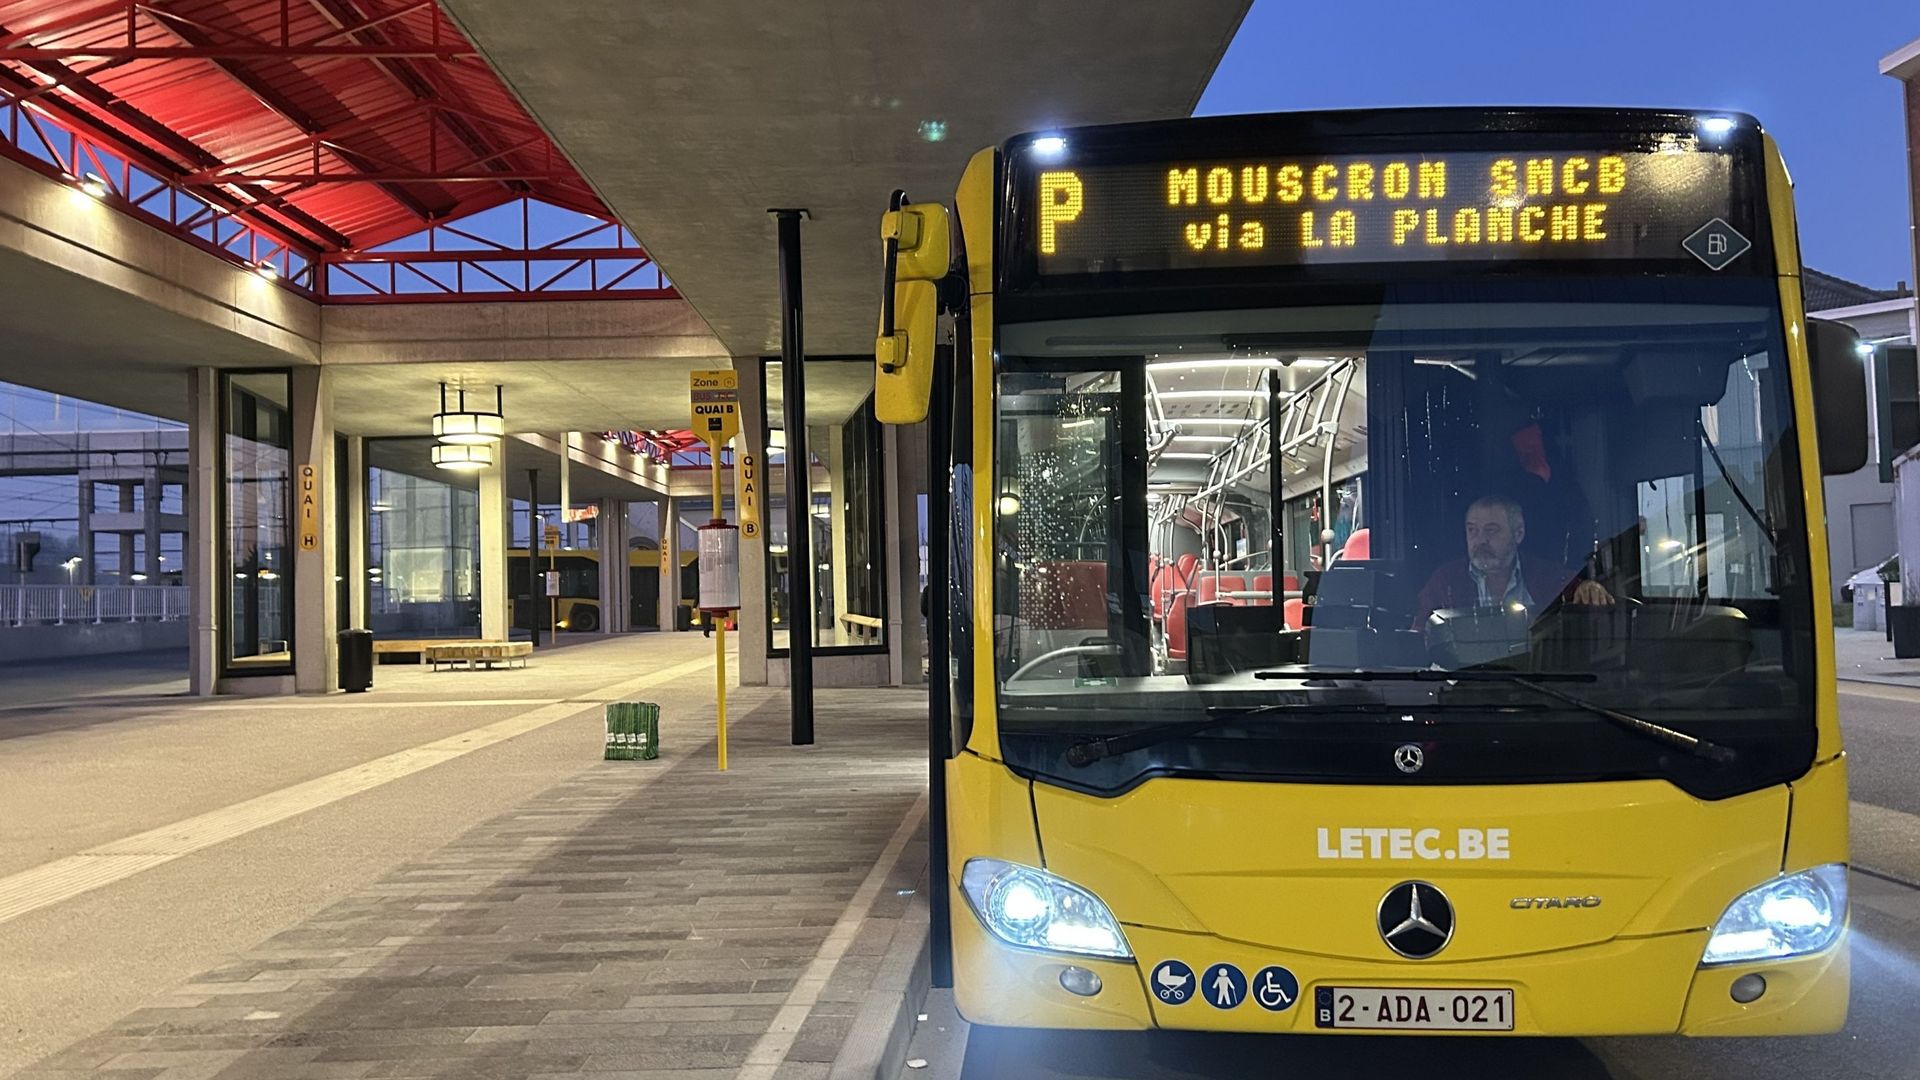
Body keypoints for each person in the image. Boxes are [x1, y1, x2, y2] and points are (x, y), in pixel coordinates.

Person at [1415, 494, 1612, 628]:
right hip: (1463, 685)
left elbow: (1579, 591)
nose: (1481, 540)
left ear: (1518, 534)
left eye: (1491, 530)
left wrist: (1588, 588)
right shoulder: (1445, 580)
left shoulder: (1545, 576)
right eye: (1472, 530)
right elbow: (1419, 638)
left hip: (1536, 683)